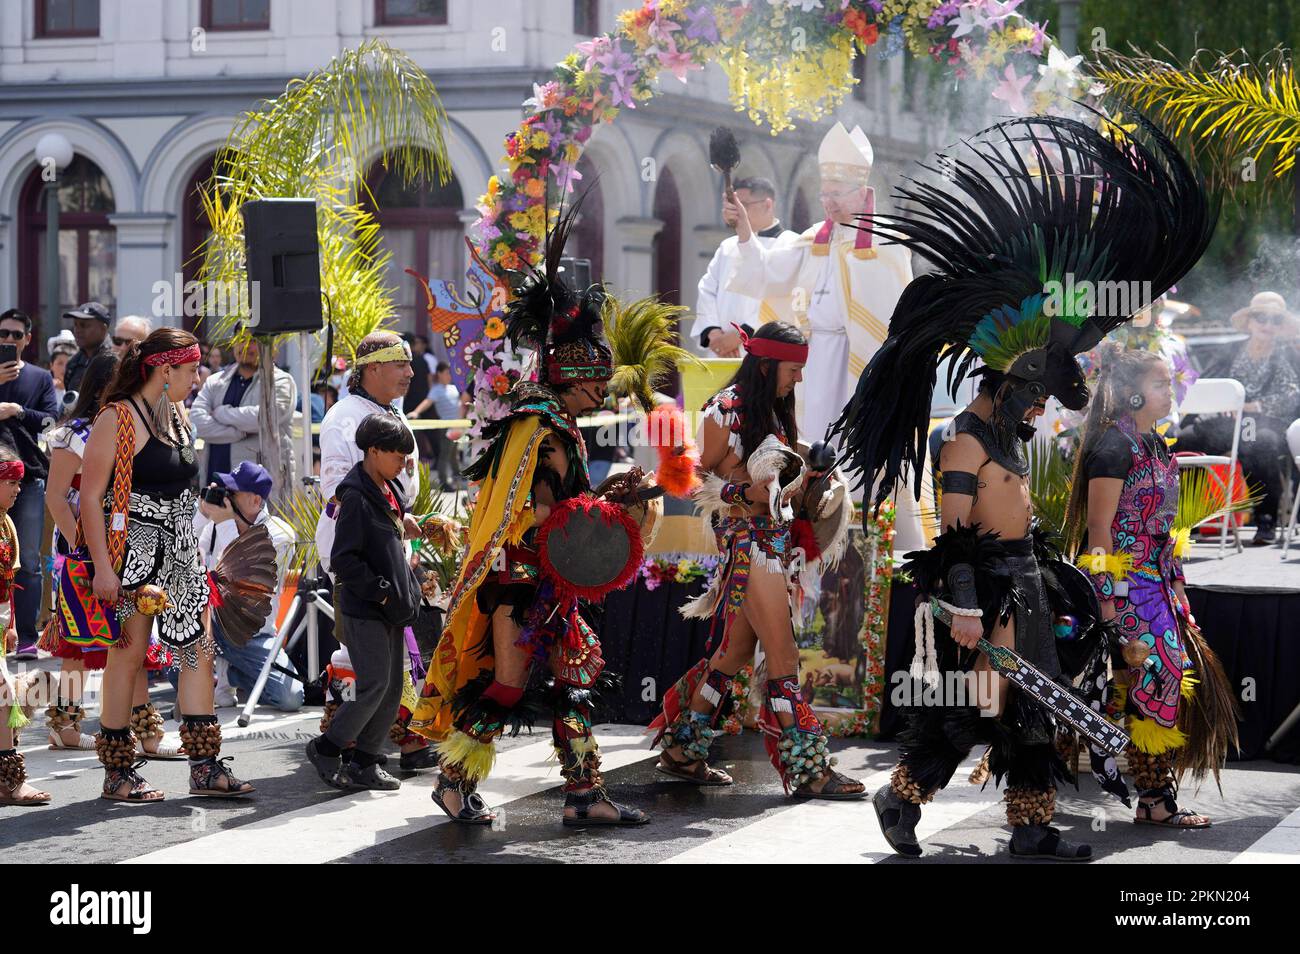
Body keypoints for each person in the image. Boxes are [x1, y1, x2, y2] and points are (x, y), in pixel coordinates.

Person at [837, 113, 1215, 861]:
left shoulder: (1004, 434)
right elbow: (950, 537)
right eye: (1037, 400)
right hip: (991, 594)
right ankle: (981, 815)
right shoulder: (963, 442)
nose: (1042, 413)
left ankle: (958, 808)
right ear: (1011, 384)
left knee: (1009, 706)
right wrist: (968, 608)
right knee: (1001, 707)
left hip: (1028, 582)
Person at [409, 208, 648, 828]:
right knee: (511, 686)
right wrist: (608, 509)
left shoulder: (546, 422)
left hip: (542, 583)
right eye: (598, 382)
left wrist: (606, 502)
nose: (604, 393)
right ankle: (455, 781)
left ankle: (583, 796)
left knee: (573, 682)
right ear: (575, 379)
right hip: (520, 585)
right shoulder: (545, 431)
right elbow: (543, 515)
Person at [650, 321, 864, 800]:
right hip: (747, 547)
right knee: (784, 657)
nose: (800, 379)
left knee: (735, 654)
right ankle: (809, 769)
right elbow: (696, 479)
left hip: (773, 544)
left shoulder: (774, 409)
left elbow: (781, 467)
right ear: (766, 364)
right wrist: (745, 490)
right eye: (793, 369)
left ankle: (683, 752)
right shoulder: (722, 410)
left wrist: (810, 465)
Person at [723, 123, 922, 550]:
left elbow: (897, 317)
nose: (828, 201)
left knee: (865, 454)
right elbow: (770, 272)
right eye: (824, 193)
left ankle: (877, 544)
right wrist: (744, 231)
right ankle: (813, 535)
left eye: (837, 193)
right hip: (815, 370)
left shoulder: (887, 241)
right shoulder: (815, 239)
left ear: (861, 190)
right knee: (813, 447)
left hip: (860, 367)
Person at [1066, 348, 1238, 828]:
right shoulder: (1112, 448)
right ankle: (1154, 799)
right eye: (1161, 384)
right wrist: (1104, 598)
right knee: (1160, 671)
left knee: (1163, 674)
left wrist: (1178, 585)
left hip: (1157, 582)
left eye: (1170, 382)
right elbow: (1099, 529)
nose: (1170, 391)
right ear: (1134, 392)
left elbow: (1169, 525)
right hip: (1124, 584)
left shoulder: (1159, 447)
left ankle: (1153, 796)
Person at [81, 328, 253, 802]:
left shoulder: (179, 414)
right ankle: (117, 771)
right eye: (191, 369)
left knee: (196, 650)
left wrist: (194, 552)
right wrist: (103, 568)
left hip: (181, 548)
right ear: (165, 368)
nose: (197, 378)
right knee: (130, 653)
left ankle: (205, 765)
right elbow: (91, 499)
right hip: (134, 551)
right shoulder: (116, 418)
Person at [305, 415, 422, 791]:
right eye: (398, 455)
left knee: (389, 688)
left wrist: (405, 521)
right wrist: (383, 589)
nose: (404, 462)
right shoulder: (355, 495)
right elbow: (343, 559)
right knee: (373, 684)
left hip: (388, 607)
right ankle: (327, 747)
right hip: (365, 607)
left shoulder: (387, 489)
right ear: (373, 451)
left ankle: (366, 762)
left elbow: (385, 528)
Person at [1175, 291, 1300, 544]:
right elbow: (1206, 384)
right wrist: (1221, 404)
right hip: (1225, 422)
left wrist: (1250, 406)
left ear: (1280, 326)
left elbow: (1292, 394)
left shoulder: (1288, 353)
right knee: (1184, 440)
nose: (1267, 324)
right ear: (1250, 321)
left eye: (1274, 320)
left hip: (1267, 423)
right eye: (1261, 318)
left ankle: (1266, 520)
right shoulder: (1229, 350)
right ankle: (1187, 517)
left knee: (1258, 441)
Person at [196, 461, 301, 712]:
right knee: (176, 674)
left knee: (290, 697)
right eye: (224, 490)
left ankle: (232, 674)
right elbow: (183, 549)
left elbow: (245, 582)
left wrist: (224, 524)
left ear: (255, 501)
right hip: (210, 626)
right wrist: (202, 514)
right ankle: (219, 673)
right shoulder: (214, 526)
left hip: (252, 635)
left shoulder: (279, 535)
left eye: (232, 493)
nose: (225, 497)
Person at [0, 308, 60, 659]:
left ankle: (24, 635)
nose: (8, 341)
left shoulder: (39, 378)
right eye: (3, 335)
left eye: (15, 335)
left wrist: (16, 410)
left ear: (27, 339)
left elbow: (51, 422)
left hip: (28, 477)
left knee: (29, 562)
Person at [692, 177, 797, 357]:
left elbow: (785, 299)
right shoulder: (728, 246)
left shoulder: (791, 244)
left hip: (762, 349)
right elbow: (707, 290)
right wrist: (713, 332)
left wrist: (743, 333)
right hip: (720, 351)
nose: (737, 212)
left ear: (767, 205)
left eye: (744, 205)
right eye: (733, 205)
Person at [0, 447, 50, 805]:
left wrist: (12, 623)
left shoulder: (6, 523)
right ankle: (10, 781)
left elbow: (8, 580)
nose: (18, 489)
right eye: (11, 482)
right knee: (3, 695)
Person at [191, 332, 298, 486]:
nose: (245, 346)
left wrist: (221, 412)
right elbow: (196, 422)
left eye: (252, 340)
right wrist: (239, 432)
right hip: (215, 482)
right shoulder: (215, 381)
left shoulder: (281, 381)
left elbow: (265, 418)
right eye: (240, 340)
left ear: (269, 346)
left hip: (259, 490)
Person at [62, 301, 115, 393]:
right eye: (76, 324)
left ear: (103, 328)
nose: (78, 330)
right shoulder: (74, 363)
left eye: (84, 325)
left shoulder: (114, 360)